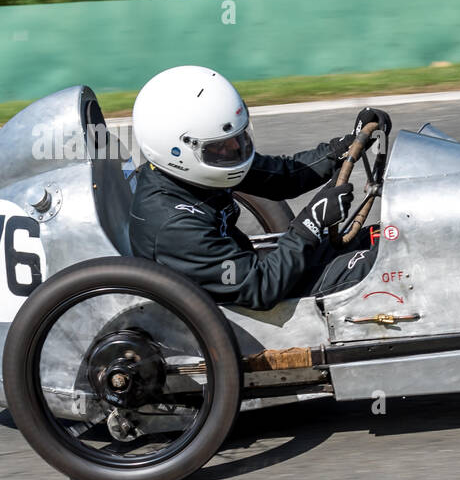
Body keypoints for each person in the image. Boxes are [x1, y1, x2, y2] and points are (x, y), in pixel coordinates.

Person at [127, 65, 390, 311]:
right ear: (177, 150)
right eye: (221, 146)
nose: (234, 150)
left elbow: (284, 176)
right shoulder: (174, 226)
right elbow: (260, 288)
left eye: (237, 139)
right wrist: (312, 221)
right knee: (385, 266)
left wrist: (343, 147)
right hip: (249, 302)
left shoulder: (199, 170)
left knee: (386, 238)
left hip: (251, 270)